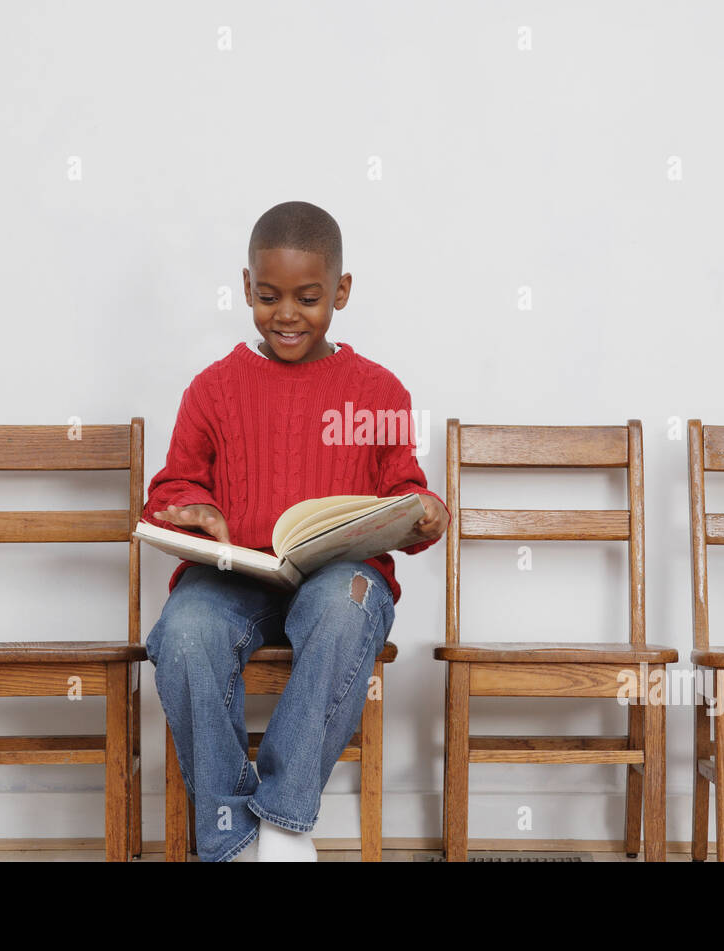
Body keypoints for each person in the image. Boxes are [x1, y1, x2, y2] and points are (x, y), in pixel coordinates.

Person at [143, 201, 449, 862]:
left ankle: (283, 819)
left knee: (348, 605)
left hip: (338, 574)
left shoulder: (377, 390)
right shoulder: (213, 388)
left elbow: (404, 485)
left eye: (308, 298)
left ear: (340, 291)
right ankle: (231, 837)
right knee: (186, 630)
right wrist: (192, 507)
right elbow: (171, 487)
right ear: (247, 286)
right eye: (269, 295)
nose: (287, 313)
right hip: (234, 577)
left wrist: (421, 509)